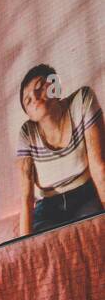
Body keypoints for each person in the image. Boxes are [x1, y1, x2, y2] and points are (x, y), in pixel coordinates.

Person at [15, 64, 105, 238]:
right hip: (48, 206)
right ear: (29, 114)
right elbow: (26, 197)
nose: (34, 97)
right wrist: (22, 247)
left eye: (40, 87)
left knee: (94, 232)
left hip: (85, 195)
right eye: (27, 100)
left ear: (56, 87)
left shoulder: (82, 100)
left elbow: (99, 167)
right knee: (45, 243)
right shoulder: (27, 133)